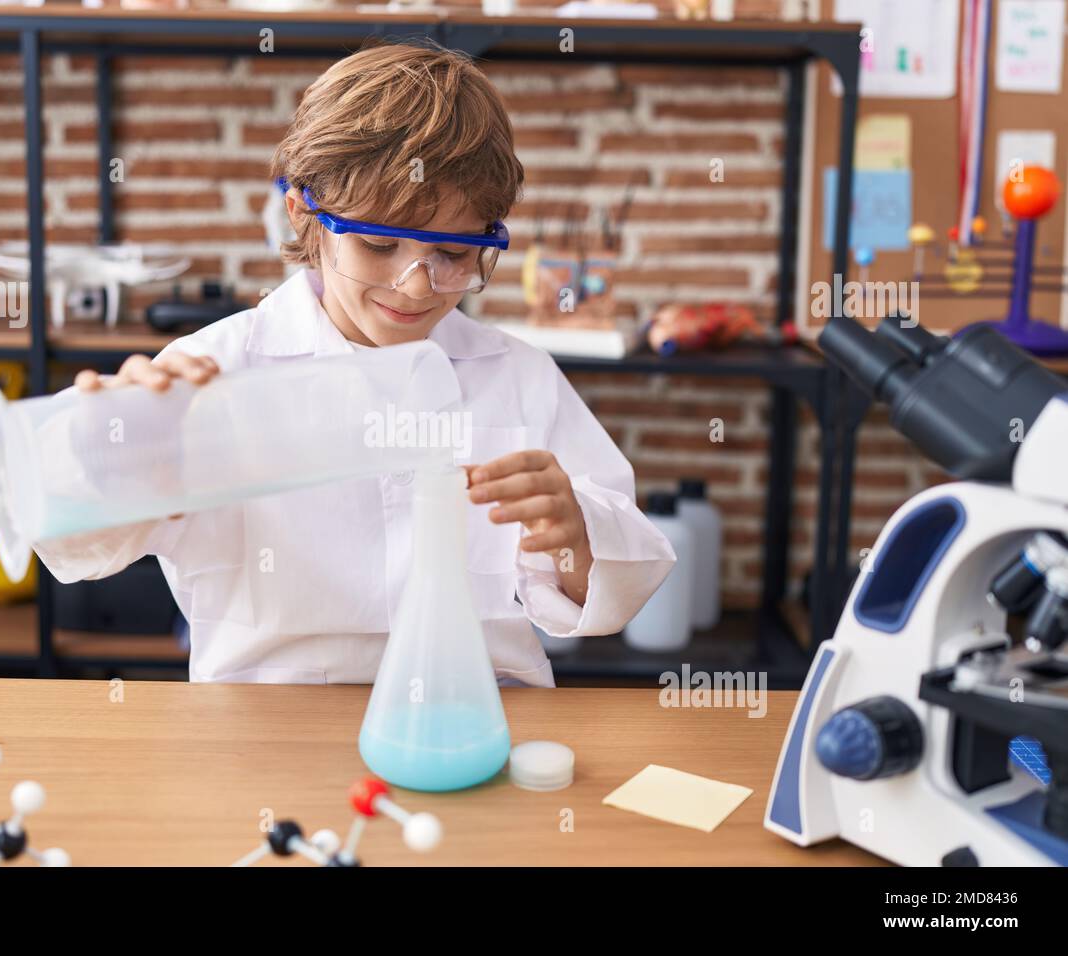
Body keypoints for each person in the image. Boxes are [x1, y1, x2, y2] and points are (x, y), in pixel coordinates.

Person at [37, 42, 675, 686]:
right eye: (377, 243)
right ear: (304, 214)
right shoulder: (211, 372)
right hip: (265, 727)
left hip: (476, 717)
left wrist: (573, 532)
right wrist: (107, 444)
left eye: (454, 253)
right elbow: (77, 547)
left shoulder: (518, 376)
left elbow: (612, 587)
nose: (418, 285)